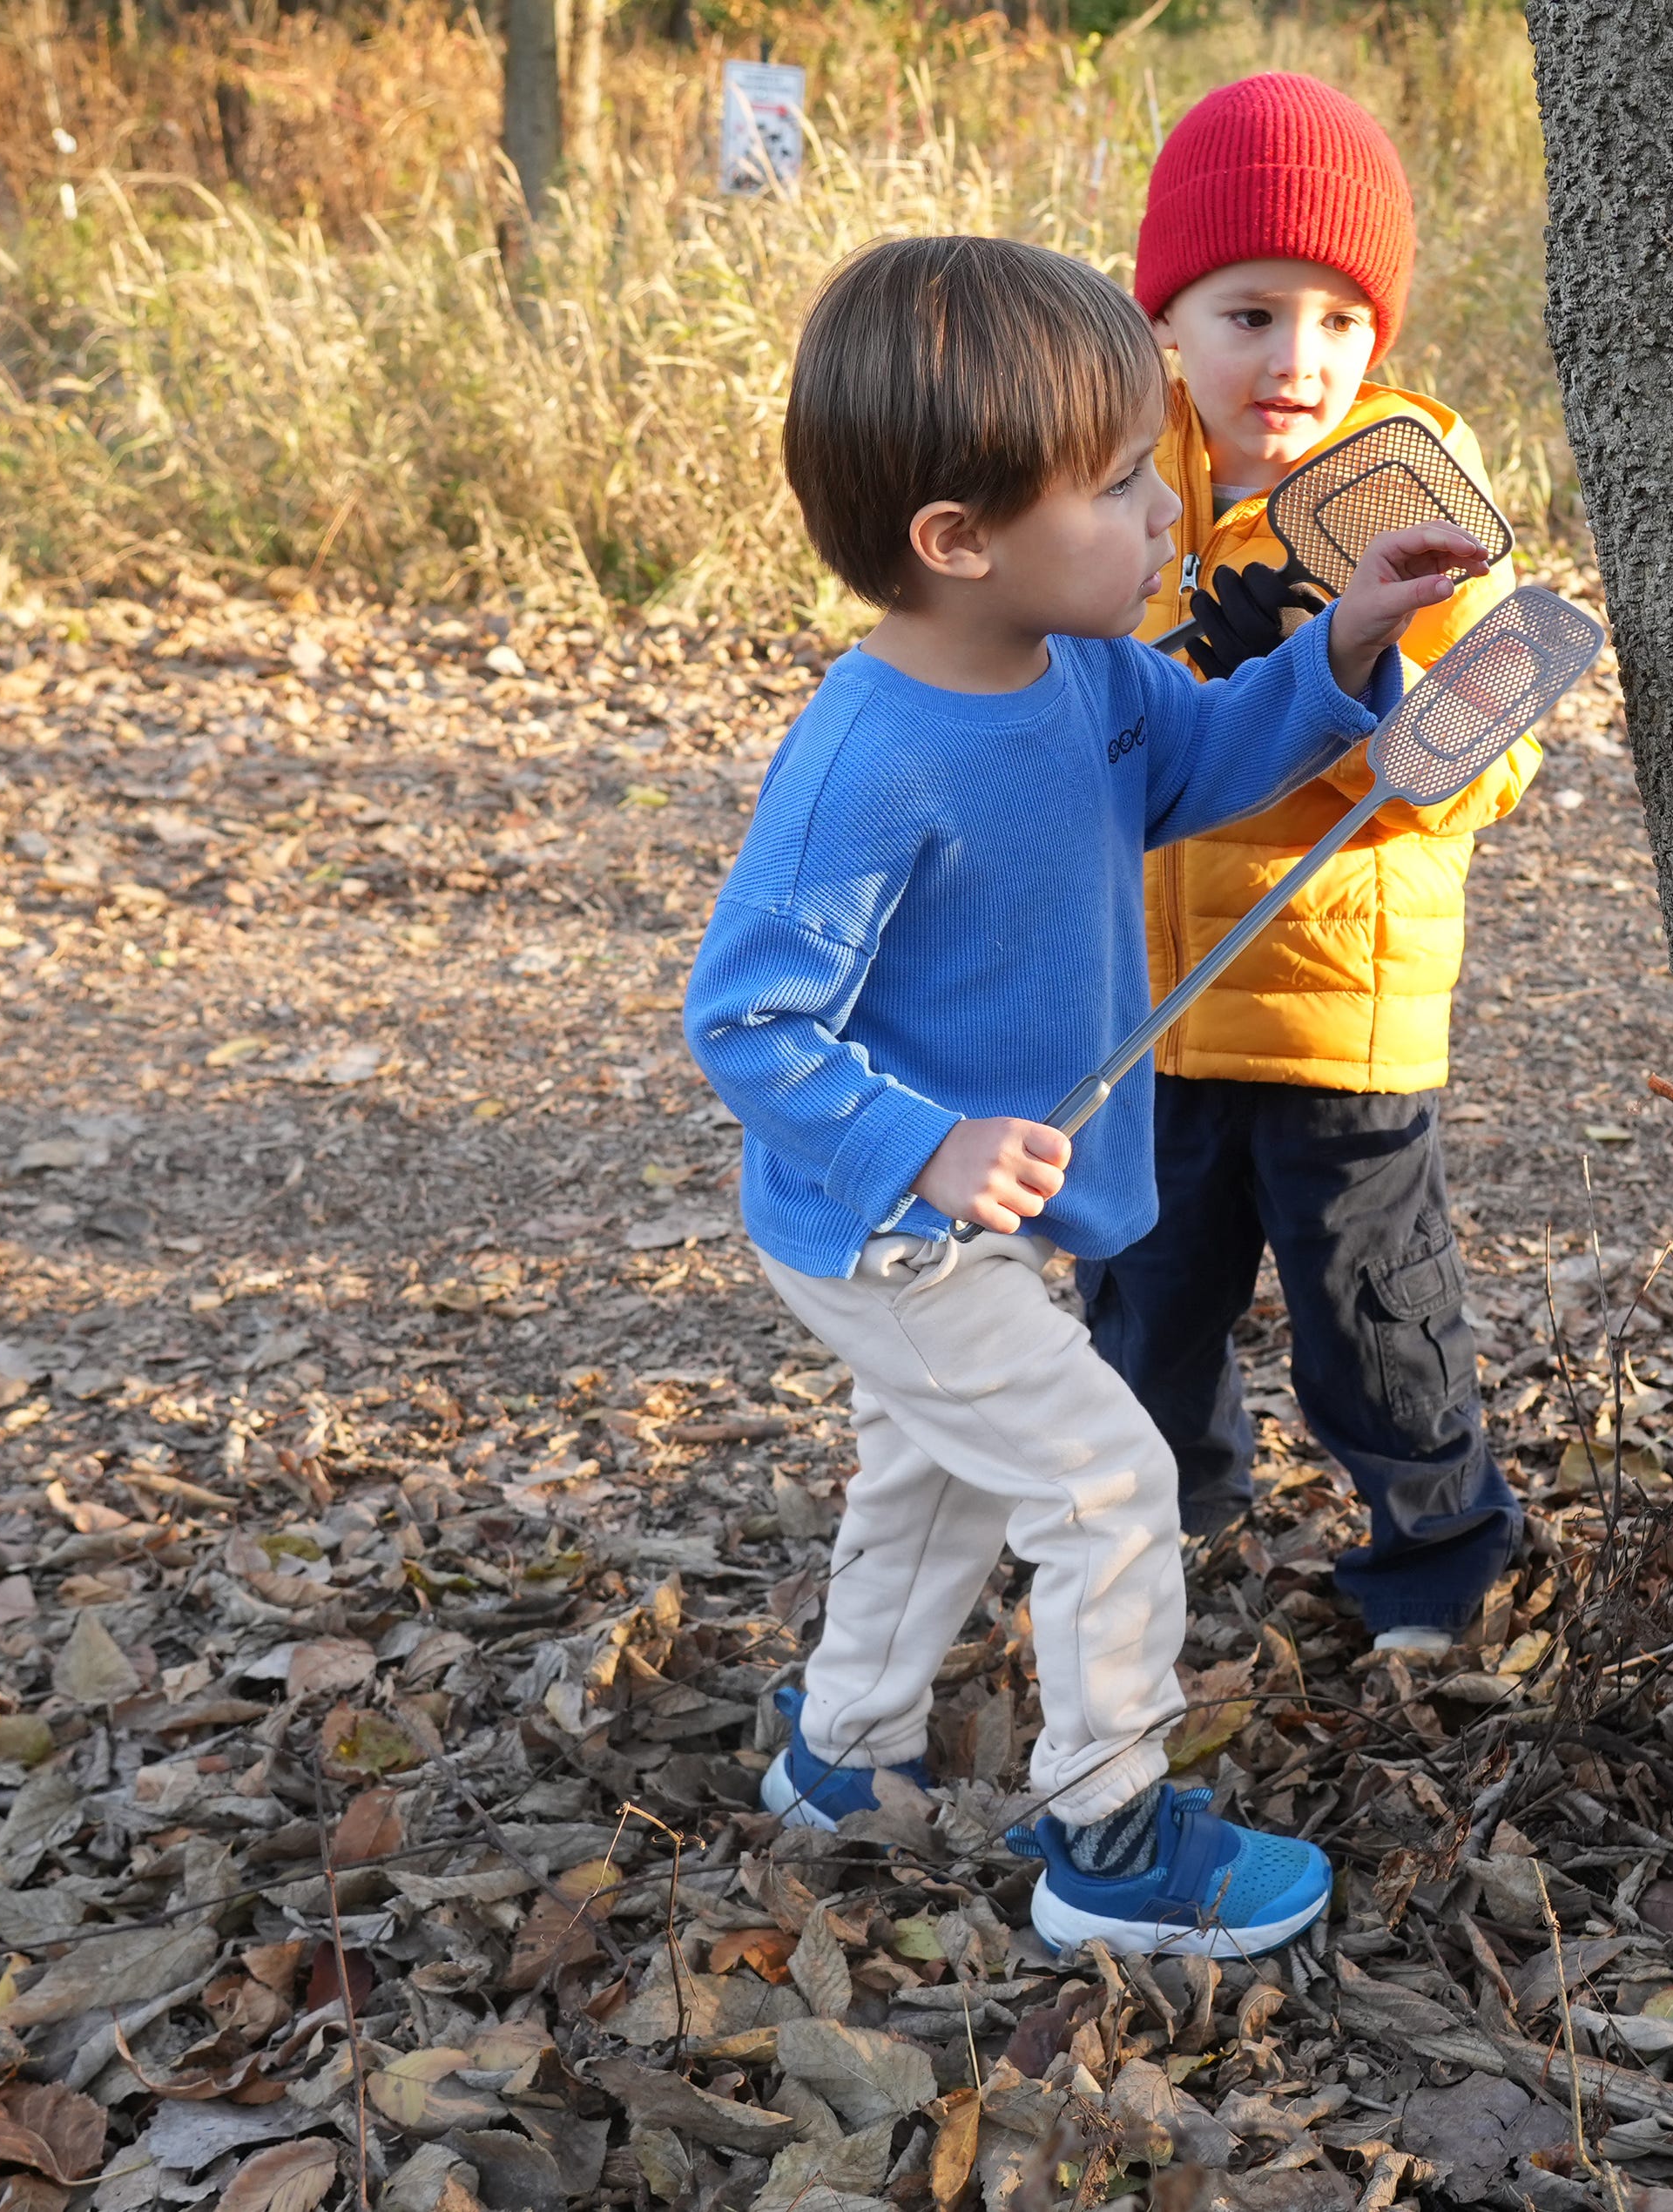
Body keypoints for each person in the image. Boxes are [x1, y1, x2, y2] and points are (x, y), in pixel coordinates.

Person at [683, 233, 1486, 1957]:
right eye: (1118, 490)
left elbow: (1208, 755)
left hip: (959, 1211)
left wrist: (1345, 637)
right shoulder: (870, 755)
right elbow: (748, 1023)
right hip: (882, 1218)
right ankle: (1113, 1830)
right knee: (1111, 1481)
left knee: (938, 1473)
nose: (1166, 522)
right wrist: (931, 1141)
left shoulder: (1088, 676)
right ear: (957, 544)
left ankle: (843, 1762)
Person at [1084, 73, 1535, 1658]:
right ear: (1172, 320)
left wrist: (1348, 688)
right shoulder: (1111, 489)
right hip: (1142, 1010)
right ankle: (1165, 1537)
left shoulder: (1415, 508)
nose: (1298, 362)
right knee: (1145, 1308)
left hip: (1337, 1002)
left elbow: (1490, 759)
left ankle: (1436, 1562)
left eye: (1340, 322)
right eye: (1251, 314)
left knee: (1373, 1319)